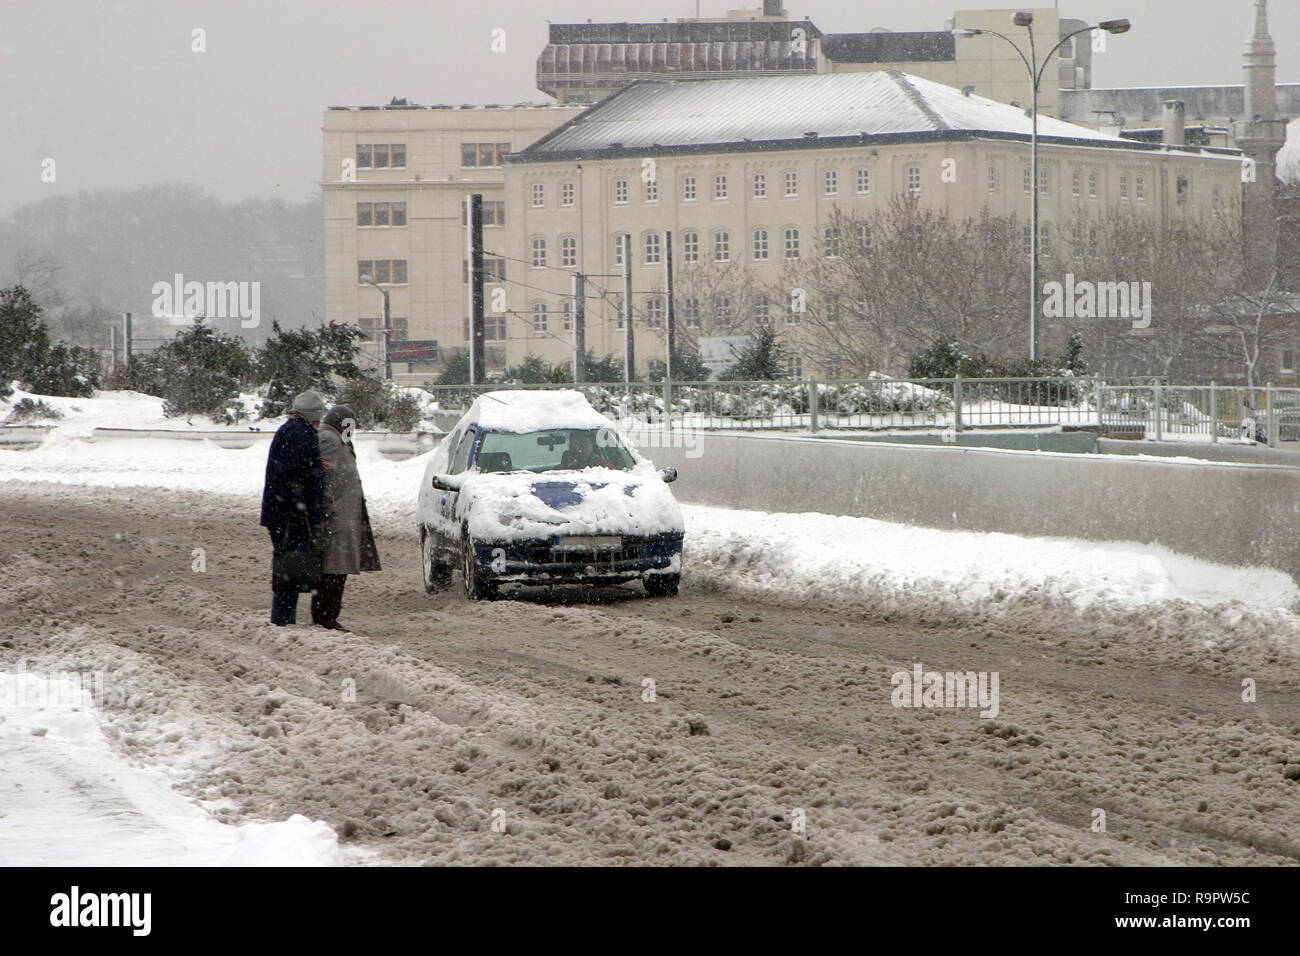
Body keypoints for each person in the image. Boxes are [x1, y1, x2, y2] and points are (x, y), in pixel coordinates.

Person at [260, 390, 326, 625]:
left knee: (291, 566)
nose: (320, 421)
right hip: (289, 515)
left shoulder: (293, 430)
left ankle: (284, 619)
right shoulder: (298, 433)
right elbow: (293, 475)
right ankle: (282, 621)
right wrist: (301, 511)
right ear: (311, 415)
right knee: (290, 567)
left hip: (284, 513)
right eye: (318, 415)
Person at [312, 404, 381, 630]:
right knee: (334, 569)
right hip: (336, 516)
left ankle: (327, 614)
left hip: (342, 515)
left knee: (337, 569)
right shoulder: (329, 440)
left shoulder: (338, 439)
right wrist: (328, 508)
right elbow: (323, 477)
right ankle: (326, 616)